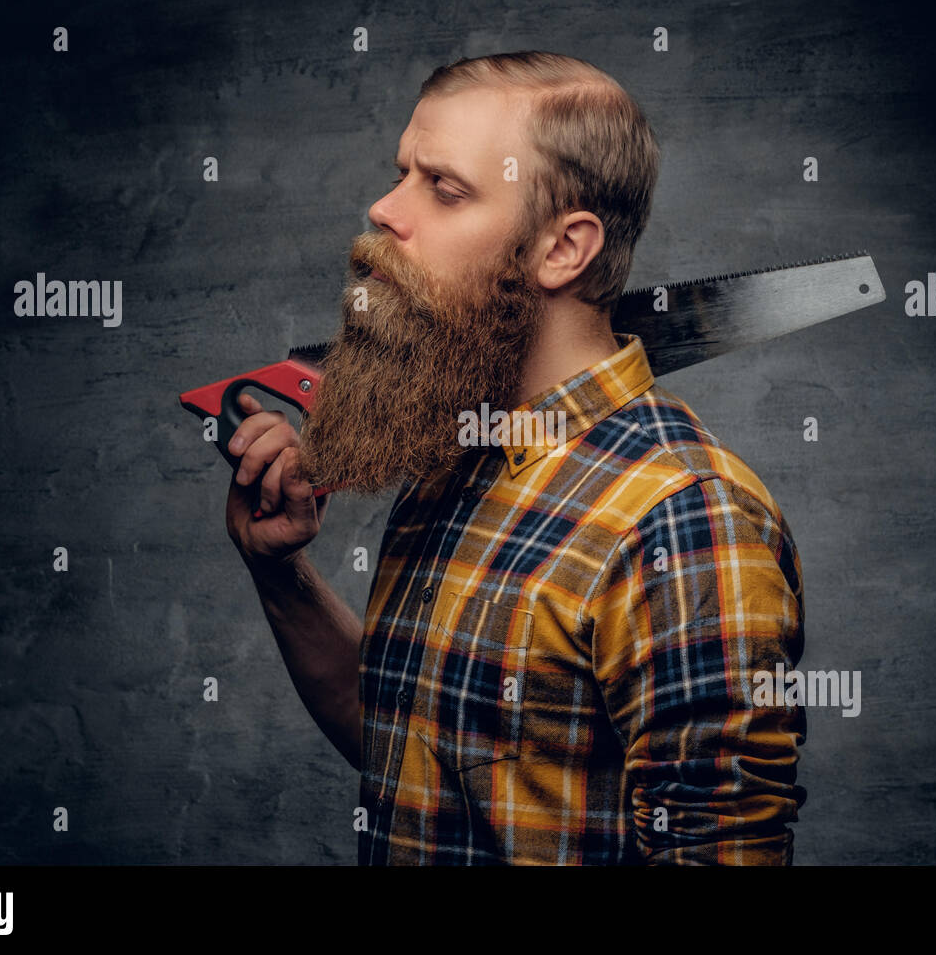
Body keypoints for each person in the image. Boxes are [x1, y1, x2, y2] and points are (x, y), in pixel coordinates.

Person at [225, 51, 807, 865]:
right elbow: (406, 741)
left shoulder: (683, 520)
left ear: (563, 249)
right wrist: (278, 573)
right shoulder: (453, 458)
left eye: (445, 189)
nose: (385, 209)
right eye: (402, 175)